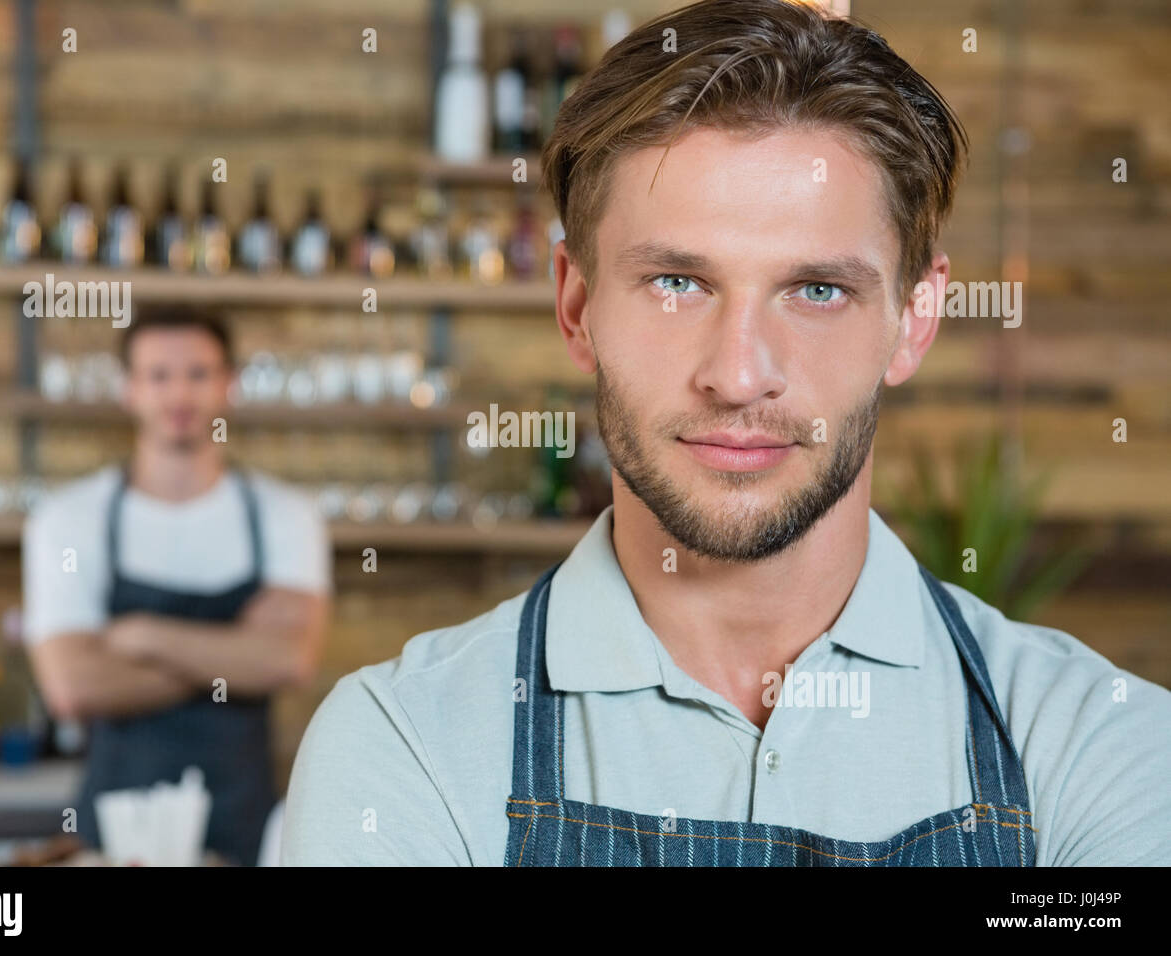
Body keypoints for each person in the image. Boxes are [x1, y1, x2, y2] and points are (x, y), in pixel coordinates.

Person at [283, 0, 1171, 866]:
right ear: (577, 304)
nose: (739, 375)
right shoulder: (406, 746)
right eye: (678, 281)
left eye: (817, 290)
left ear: (914, 319)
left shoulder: (1103, 743)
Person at [22, 306, 331, 866]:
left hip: (246, 834)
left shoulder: (286, 515)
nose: (179, 395)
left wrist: (138, 634)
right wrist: (233, 651)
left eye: (198, 373)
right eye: (159, 376)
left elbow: (289, 661)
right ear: (129, 390)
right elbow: (71, 687)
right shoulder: (68, 519)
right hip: (111, 841)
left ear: (229, 385)